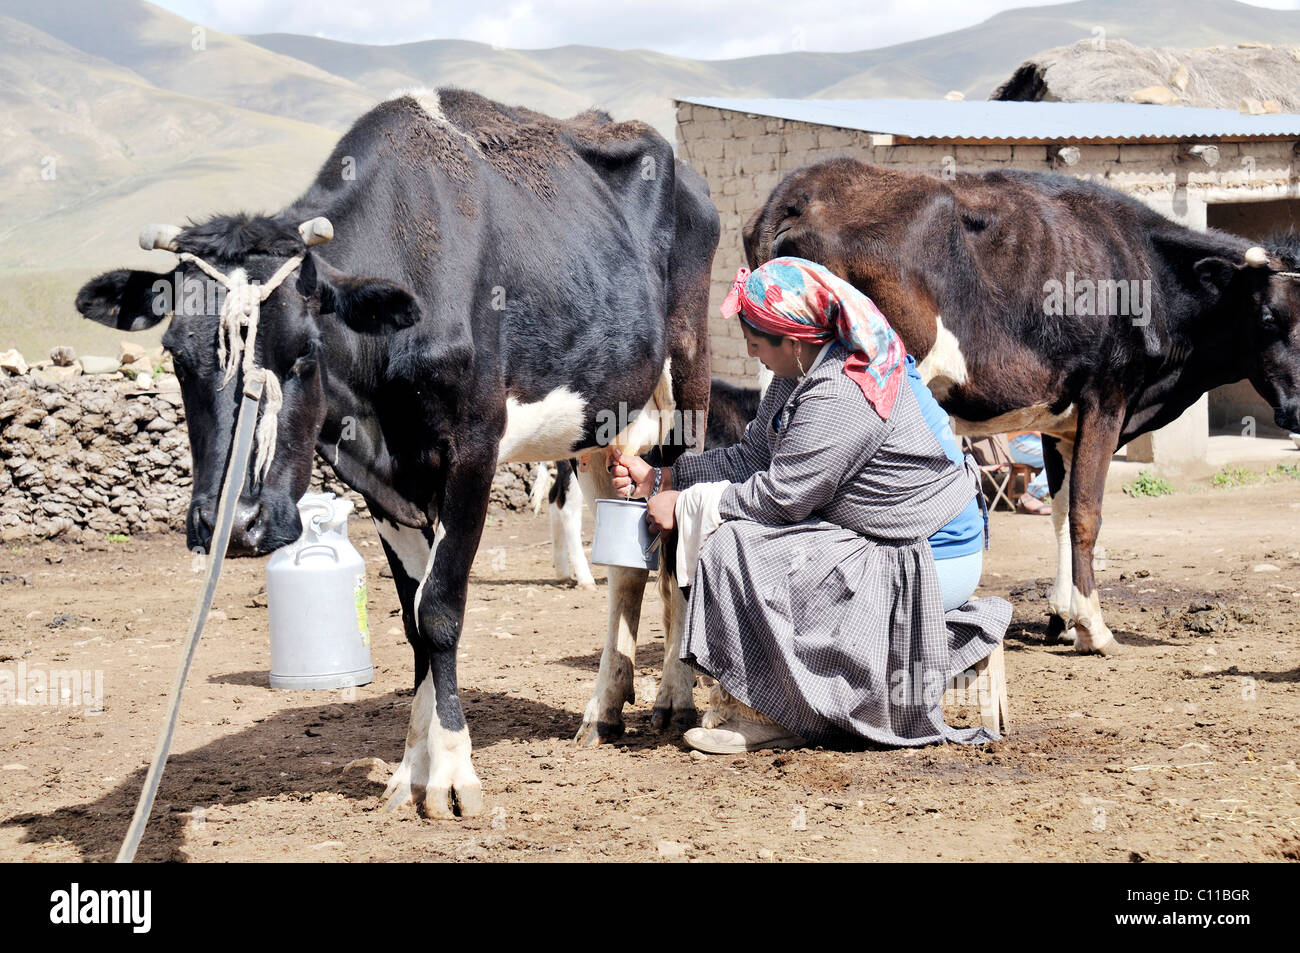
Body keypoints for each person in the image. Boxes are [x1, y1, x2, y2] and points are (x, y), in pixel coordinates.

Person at [612, 257, 1010, 755]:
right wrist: (664, 476)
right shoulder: (802, 370)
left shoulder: (844, 388)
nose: (755, 357)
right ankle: (778, 702)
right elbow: (755, 455)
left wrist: (687, 505)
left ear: (794, 340)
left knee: (736, 544)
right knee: (735, 532)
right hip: (881, 536)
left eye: (758, 345)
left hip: (927, 554)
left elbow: (782, 498)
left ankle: (772, 714)